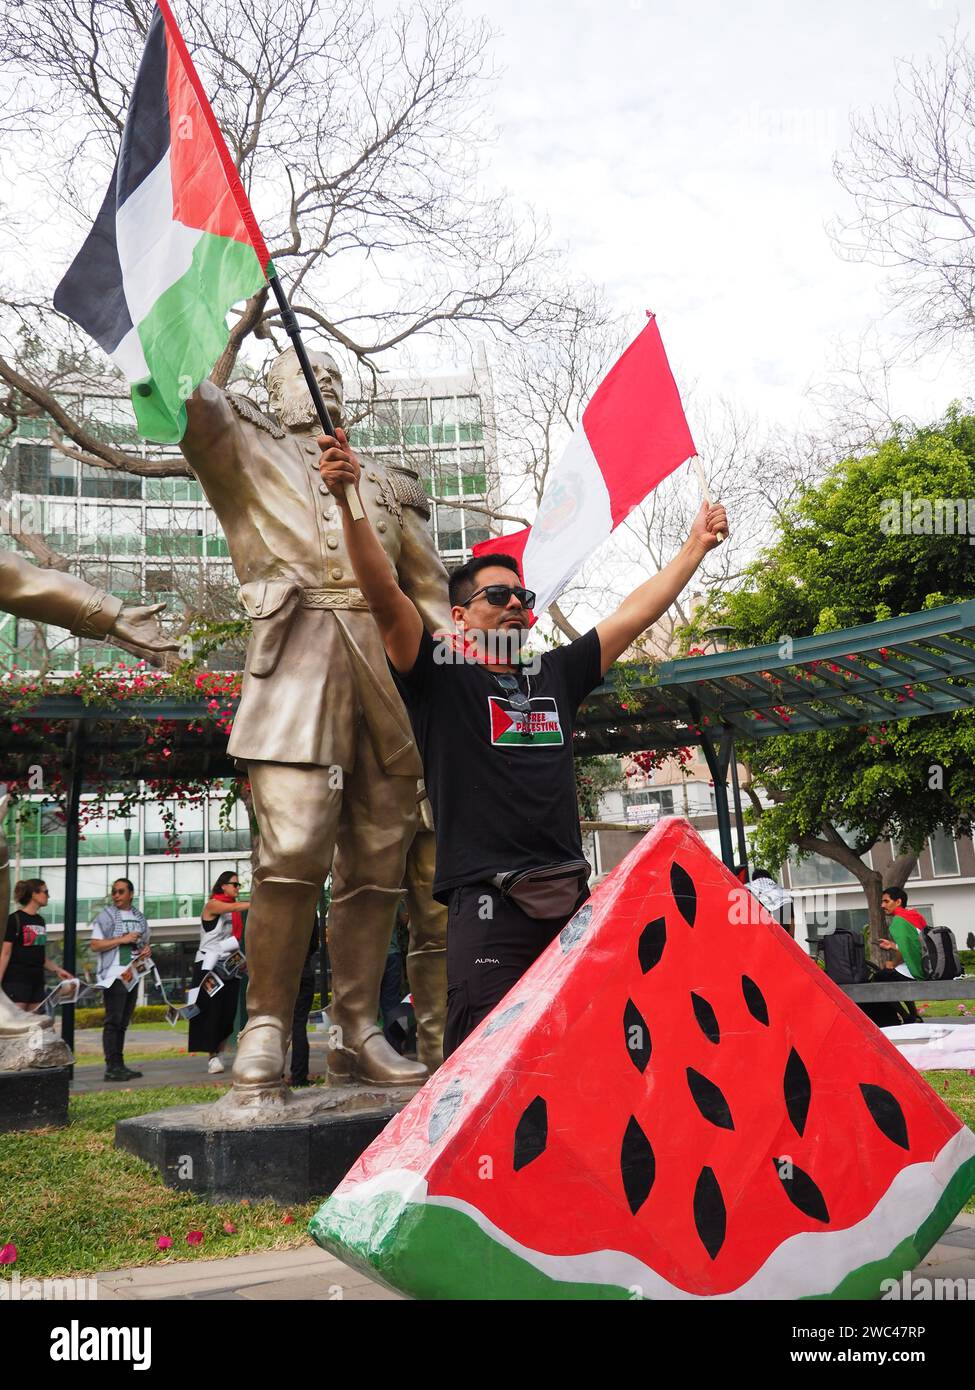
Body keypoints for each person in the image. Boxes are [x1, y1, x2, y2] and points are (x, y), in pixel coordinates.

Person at [319, 428, 728, 1055]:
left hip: (571, 899)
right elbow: (382, 592)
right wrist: (348, 500)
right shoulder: (435, 674)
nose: (516, 604)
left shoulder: (555, 675)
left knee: (588, 1056)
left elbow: (633, 612)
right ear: (460, 617)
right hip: (488, 907)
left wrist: (695, 546)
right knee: (487, 1067)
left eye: (523, 596)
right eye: (498, 595)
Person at [179, 351, 452, 1092]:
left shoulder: (391, 487)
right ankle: (266, 1021)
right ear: (274, 390)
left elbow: (430, 599)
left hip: (388, 682)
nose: (324, 383)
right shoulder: (242, 442)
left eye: (333, 377)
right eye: (307, 374)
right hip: (295, 670)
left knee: (376, 862)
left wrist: (460, 681)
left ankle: (357, 1030)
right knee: (294, 845)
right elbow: (183, 392)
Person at [89, 878, 151, 1081]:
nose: (116, 895)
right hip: (114, 975)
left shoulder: (139, 917)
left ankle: (120, 1064)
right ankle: (111, 1067)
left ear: (130, 894)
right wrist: (121, 939)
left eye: (121, 891)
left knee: (123, 1022)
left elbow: (143, 942)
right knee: (113, 1021)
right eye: (114, 891)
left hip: (132, 973)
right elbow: (96, 945)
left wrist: (146, 950)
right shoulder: (105, 916)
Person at [189, 872, 250, 1074]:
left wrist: (241, 961)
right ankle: (212, 1056)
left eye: (238, 885)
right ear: (223, 886)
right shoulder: (213, 905)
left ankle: (221, 1052)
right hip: (209, 966)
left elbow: (233, 940)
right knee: (211, 1011)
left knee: (228, 1012)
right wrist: (257, 902)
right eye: (235, 884)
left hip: (229, 965)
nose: (237, 888)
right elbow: (233, 906)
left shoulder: (235, 912)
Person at [0, 878, 72, 1013]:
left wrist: (58, 970)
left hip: (37, 982)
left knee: (33, 1027)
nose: (48, 896)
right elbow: (5, 952)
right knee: (16, 1026)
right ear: (34, 894)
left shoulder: (40, 921)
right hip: (17, 981)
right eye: (46, 892)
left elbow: (39, 955)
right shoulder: (14, 919)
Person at [289, 918, 320, 1088]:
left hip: (282, 972)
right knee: (298, 1025)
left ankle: (273, 1073)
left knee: (276, 1024)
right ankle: (299, 1075)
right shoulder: (308, 908)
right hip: (303, 969)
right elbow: (314, 943)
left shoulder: (278, 905)